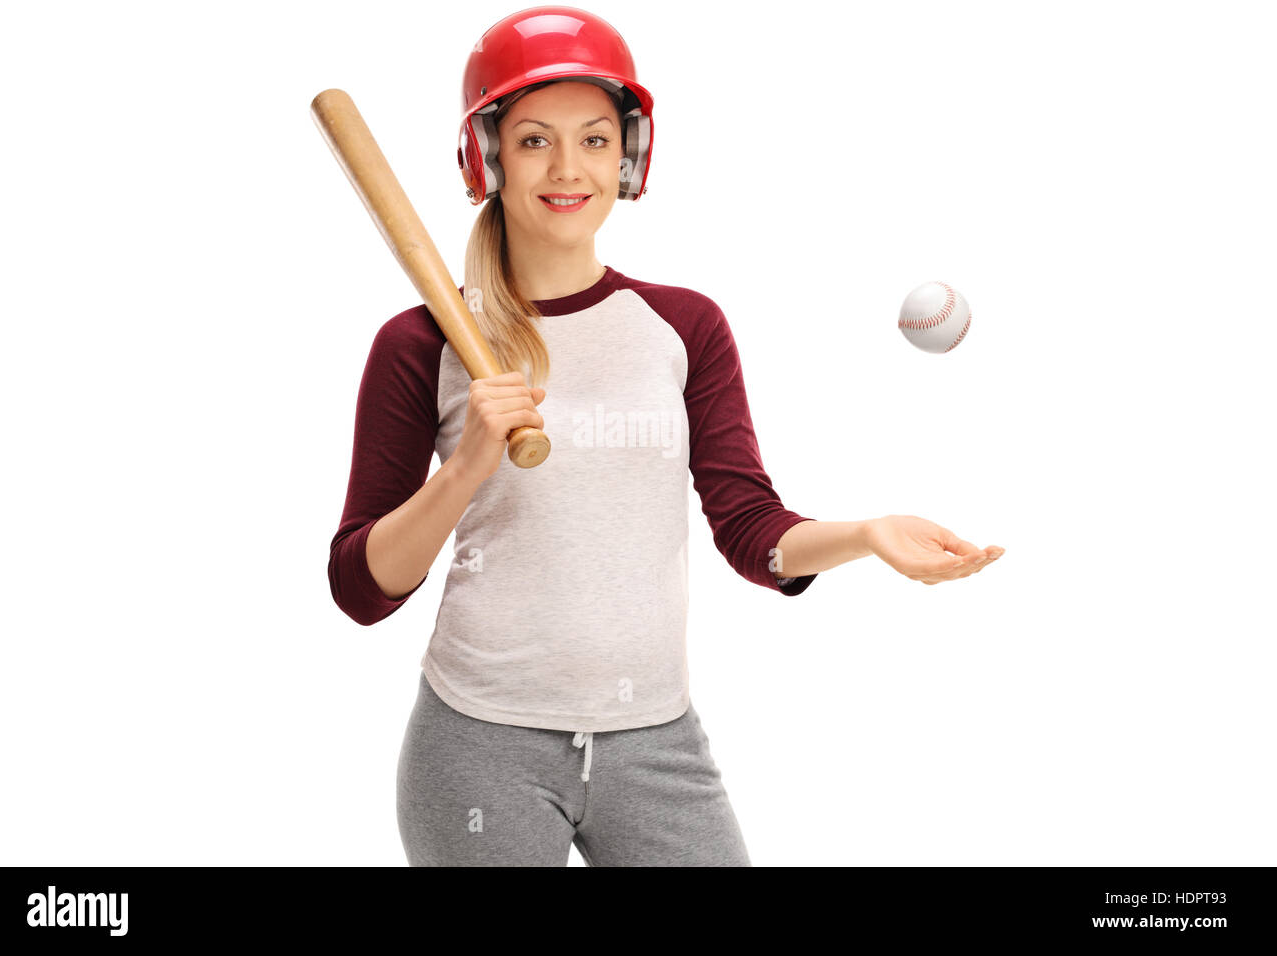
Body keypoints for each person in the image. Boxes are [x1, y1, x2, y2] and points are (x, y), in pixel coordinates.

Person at [327, 6, 1004, 867]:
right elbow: (360, 586)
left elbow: (751, 530)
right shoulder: (420, 343)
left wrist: (867, 536)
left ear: (630, 157)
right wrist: (464, 469)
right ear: (488, 156)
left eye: (596, 140)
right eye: (534, 140)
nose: (568, 168)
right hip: (479, 744)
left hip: (656, 740)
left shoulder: (683, 326)